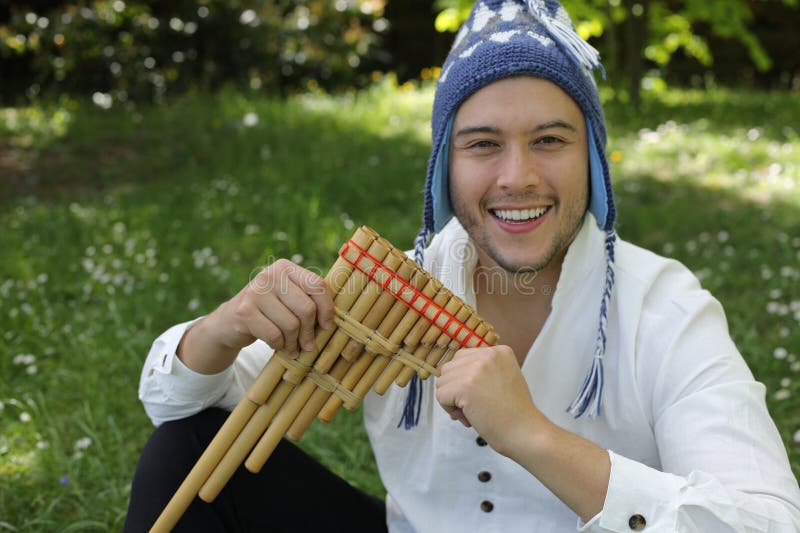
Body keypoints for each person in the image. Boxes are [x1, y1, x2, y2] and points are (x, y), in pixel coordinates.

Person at [125, 0, 800, 531]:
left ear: (592, 161)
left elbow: (766, 519)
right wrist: (224, 327)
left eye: (549, 140)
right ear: (444, 170)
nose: (518, 176)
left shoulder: (664, 307)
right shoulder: (382, 295)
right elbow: (171, 403)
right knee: (184, 452)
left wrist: (532, 435)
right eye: (483, 144)